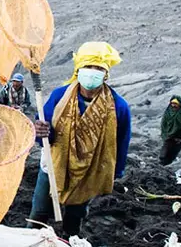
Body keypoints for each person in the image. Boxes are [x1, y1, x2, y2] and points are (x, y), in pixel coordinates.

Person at [29, 42, 131, 237]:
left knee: (74, 219)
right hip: (54, 164)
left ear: (106, 73)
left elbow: (121, 142)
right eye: (88, 67)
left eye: (98, 68)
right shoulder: (60, 96)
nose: (93, 72)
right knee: (39, 213)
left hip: (89, 170)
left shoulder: (118, 106)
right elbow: (45, 130)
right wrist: (39, 131)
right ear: (78, 69)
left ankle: (68, 246)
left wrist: (114, 172)